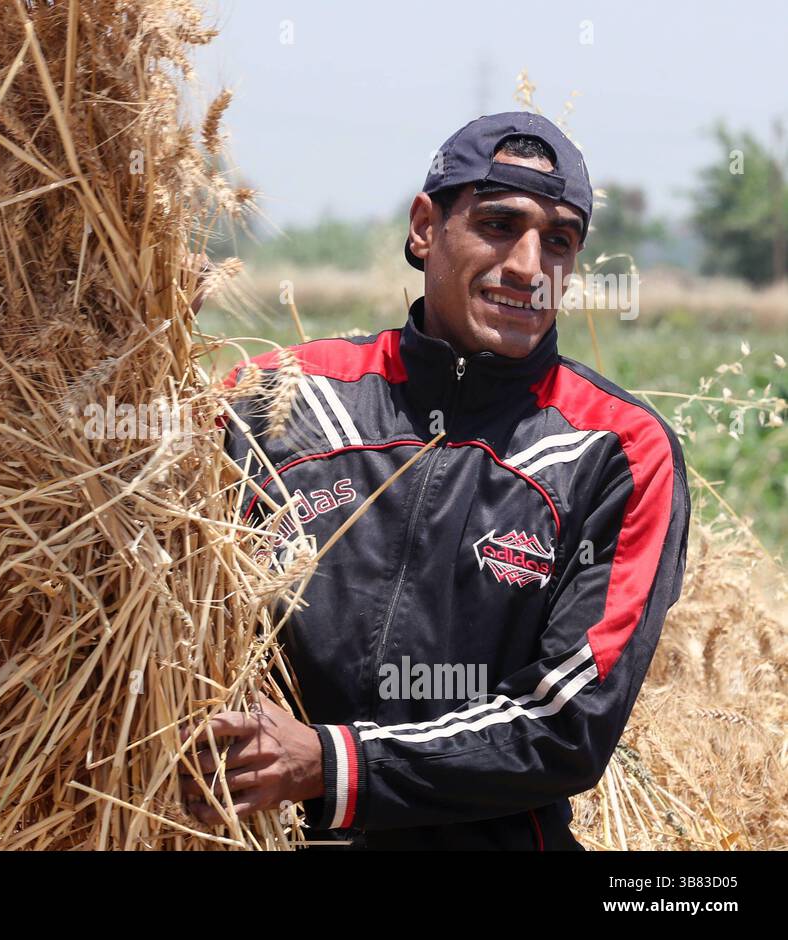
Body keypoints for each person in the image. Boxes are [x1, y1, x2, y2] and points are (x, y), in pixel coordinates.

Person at [182, 112, 691, 850]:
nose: (526, 266)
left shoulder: (616, 450)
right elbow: (157, 592)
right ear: (424, 228)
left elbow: (567, 724)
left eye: (558, 242)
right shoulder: (273, 399)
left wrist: (332, 765)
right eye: (497, 224)